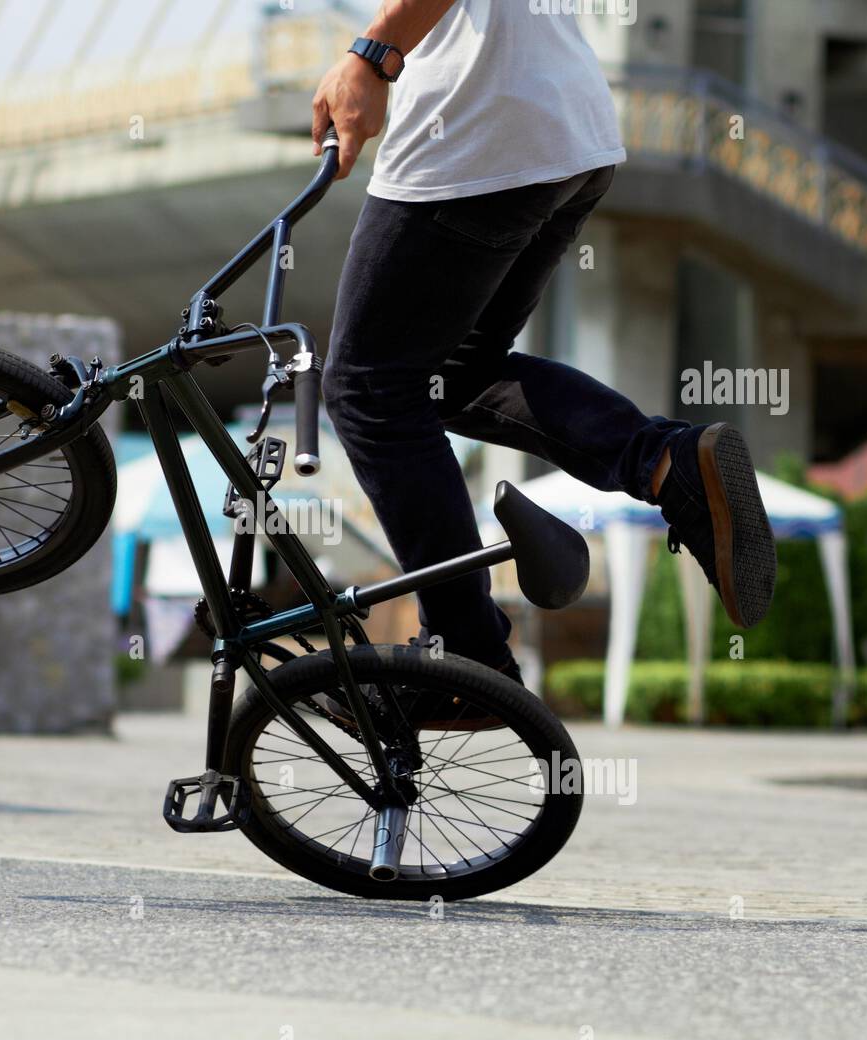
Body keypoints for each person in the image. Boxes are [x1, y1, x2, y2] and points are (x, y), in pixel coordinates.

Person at [313, 0, 777, 715]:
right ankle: (665, 463)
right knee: (450, 373)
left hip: (478, 132)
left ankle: (465, 655)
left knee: (368, 389)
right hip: (563, 130)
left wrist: (372, 53)